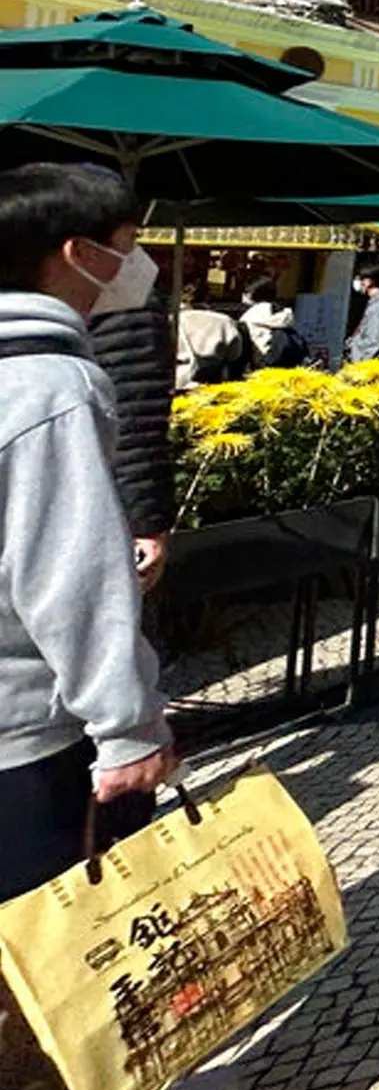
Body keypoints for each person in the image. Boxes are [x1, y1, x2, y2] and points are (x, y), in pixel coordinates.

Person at [0, 162, 177, 904]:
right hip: (27, 731)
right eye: (128, 242)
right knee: (56, 947)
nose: (142, 263)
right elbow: (68, 572)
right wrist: (128, 725)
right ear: (79, 254)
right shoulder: (51, 386)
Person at [173, 295, 249, 388]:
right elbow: (235, 354)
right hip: (214, 380)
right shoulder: (224, 320)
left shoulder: (172, 319)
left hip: (176, 379)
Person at [239, 277, 306, 368]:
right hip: (287, 366)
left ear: (251, 294)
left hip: (261, 365)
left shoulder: (251, 315)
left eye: (245, 293)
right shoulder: (284, 313)